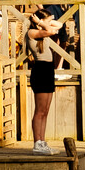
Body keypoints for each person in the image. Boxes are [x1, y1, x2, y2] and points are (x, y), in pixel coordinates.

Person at [25, 11, 63, 154]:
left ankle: (42, 142)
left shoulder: (42, 29)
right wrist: (41, 23)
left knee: (45, 111)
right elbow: (52, 31)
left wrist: (45, 21)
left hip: (48, 70)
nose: (49, 22)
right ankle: (37, 143)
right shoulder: (32, 32)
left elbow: (59, 24)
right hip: (40, 70)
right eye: (47, 20)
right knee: (40, 110)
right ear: (39, 21)